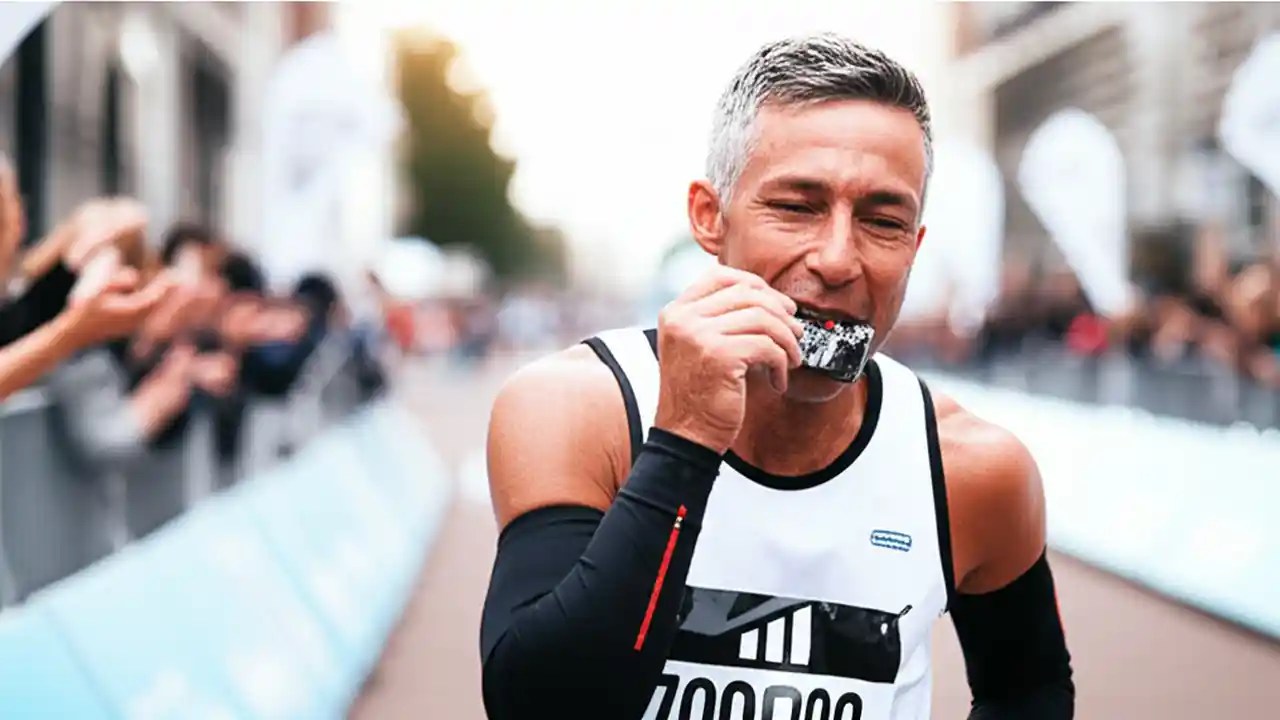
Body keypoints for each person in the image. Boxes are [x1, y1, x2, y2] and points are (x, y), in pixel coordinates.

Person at [480, 34, 1073, 720]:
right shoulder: (577, 409)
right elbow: (539, 706)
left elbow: (1029, 691)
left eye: (882, 221)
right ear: (709, 216)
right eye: (797, 207)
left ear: (914, 248)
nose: (836, 258)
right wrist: (685, 440)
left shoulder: (973, 469)